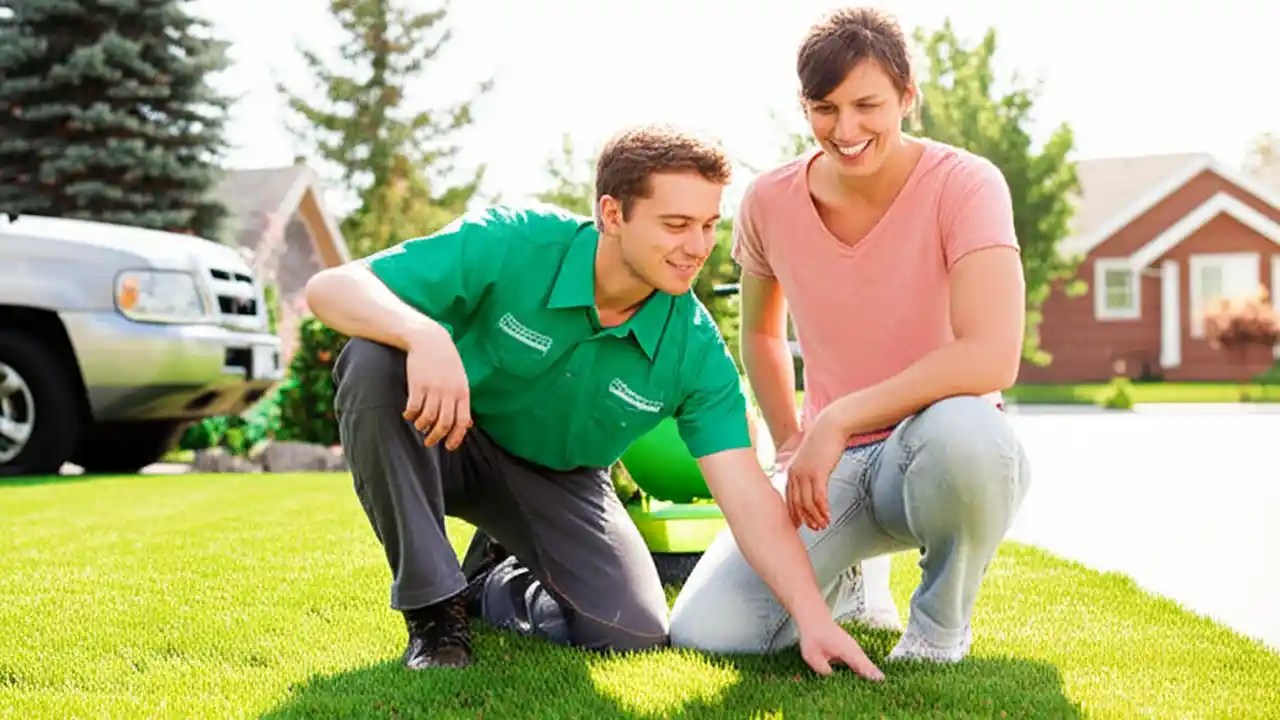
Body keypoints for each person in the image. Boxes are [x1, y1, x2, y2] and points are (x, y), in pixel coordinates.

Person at [304, 123, 885, 680]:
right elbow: (330, 288)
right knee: (373, 361)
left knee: (629, 631)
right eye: (677, 224)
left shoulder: (695, 350)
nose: (698, 247)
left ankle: (495, 578)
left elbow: (748, 496)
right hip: (446, 436)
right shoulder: (514, 241)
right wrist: (423, 335)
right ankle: (435, 615)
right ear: (612, 213)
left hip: (562, 478)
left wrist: (812, 618)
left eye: (708, 225)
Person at [669, 7, 1032, 664]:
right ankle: (851, 582)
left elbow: (991, 356)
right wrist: (791, 443)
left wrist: (837, 418)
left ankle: (938, 627)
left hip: (933, 454)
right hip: (830, 468)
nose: (846, 129)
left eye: (868, 105)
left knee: (968, 435)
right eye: (824, 108)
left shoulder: (966, 185)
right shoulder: (769, 201)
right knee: (711, 633)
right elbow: (761, 333)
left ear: (907, 97)